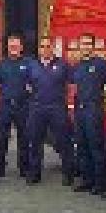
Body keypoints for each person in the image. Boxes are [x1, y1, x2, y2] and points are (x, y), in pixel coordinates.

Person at [26, 36, 75, 185]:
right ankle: (35, 174)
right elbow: (27, 86)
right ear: (39, 49)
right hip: (38, 108)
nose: (45, 49)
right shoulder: (32, 65)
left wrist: (69, 104)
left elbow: (71, 86)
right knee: (35, 142)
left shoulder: (63, 65)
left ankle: (68, 174)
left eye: (48, 46)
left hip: (57, 107)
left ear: (53, 48)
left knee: (64, 142)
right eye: (42, 46)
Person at [70, 34, 106, 194]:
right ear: (79, 46)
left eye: (88, 44)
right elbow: (75, 87)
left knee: (96, 146)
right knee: (82, 146)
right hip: (80, 109)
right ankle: (87, 180)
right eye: (83, 44)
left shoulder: (102, 65)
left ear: (93, 46)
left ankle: (101, 183)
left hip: (94, 109)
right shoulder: (77, 65)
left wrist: (102, 102)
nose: (85, 46)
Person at [0, 34, 32, 178]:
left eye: (16, 46)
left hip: (23, 105)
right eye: (11, 46)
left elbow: (35, 82)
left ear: (21, 47)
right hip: (5, 106)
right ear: (7, 47)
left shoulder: (29, 63)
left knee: (24, 138)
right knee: (1, 138)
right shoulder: (1, 64)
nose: (13, 48)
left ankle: (24, 169)